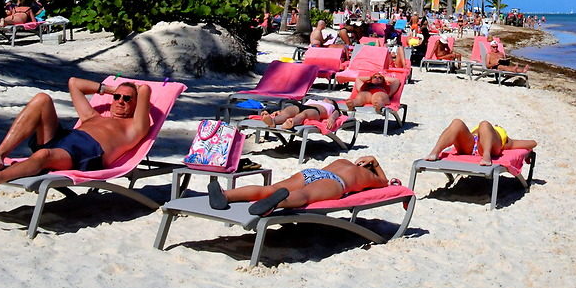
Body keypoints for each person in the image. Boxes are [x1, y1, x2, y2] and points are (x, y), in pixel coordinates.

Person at [0, 77, 151, 194]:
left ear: (136, 103)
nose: (120, 101)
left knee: (43, 156)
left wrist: (135, 89)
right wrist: (111, 89)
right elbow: (74, 83)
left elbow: (145, 90)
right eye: (117, 97)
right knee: (42, 99)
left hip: (85, 152)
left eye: (127, 99)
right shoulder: (92, 116)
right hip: (63, 140)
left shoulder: (133, 127)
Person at [209, 155, 390, 216]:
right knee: (304, 196)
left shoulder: (341, 161)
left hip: (312, 173)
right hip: (334, 183)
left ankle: (226, 195)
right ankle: (275, 204)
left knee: (270, 189)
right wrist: (375, 163)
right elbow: (384, 182)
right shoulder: (365, 175)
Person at [423, 118, 537, 167]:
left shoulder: (506, 140)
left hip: (487, 149)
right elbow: (533, 143)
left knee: (484, 124)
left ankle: (486, 156)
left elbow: (532, 143)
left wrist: (528, 152)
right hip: (472, 144)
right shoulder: (485, 130)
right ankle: (435, 151)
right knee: (457, 122)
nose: (497, 125)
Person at [259, 97, 338, 130]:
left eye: (329, 100)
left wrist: (332, 119)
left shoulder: (332, 107)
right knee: (288, 111)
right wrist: (280, 112)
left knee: (304, 114)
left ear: (332, 103)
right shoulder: (314, 101)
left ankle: (292, 122)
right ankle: (273, 121)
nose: (326, 99)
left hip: (316, 111)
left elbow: (336, 113)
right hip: (302, 106)